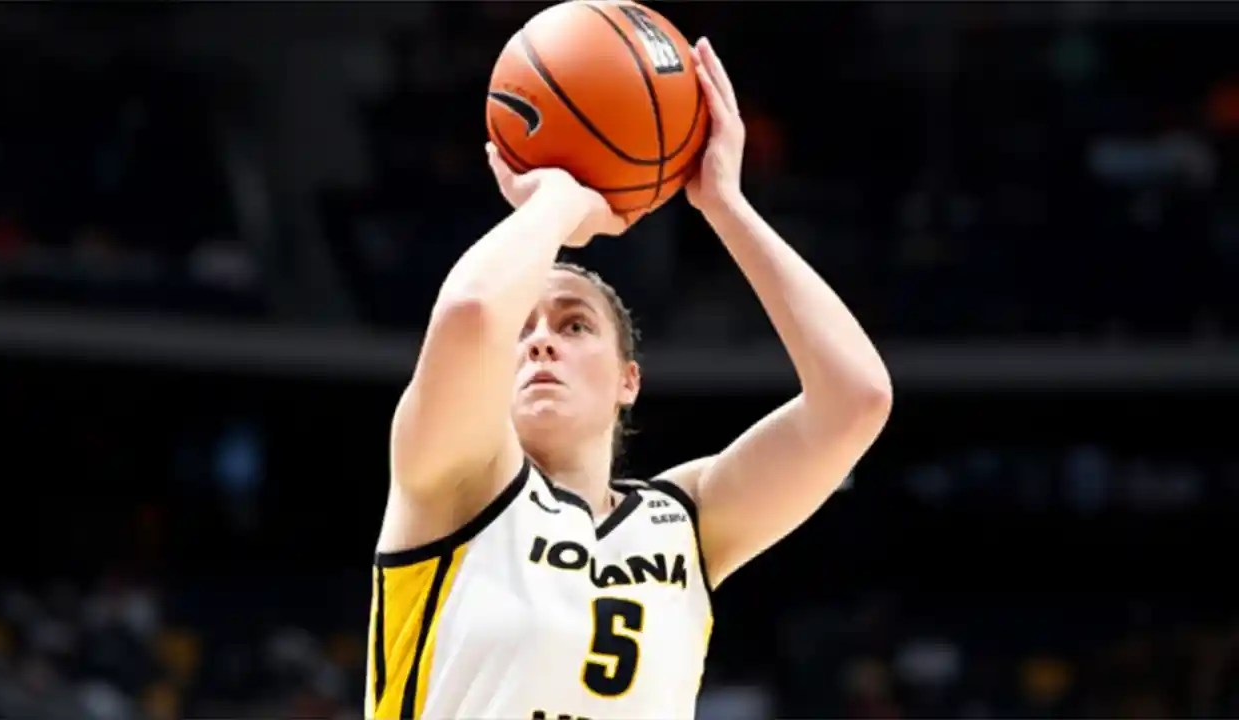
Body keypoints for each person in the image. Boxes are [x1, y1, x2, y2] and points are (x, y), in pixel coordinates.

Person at [366, 38, 892, 720]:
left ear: (628, 380)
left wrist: (726, 206)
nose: (540, 344)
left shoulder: (687, 521)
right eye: (522, 329)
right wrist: (557, 200)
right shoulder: (455, 485)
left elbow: (857, 400)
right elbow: (470, 312)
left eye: (573, 325)